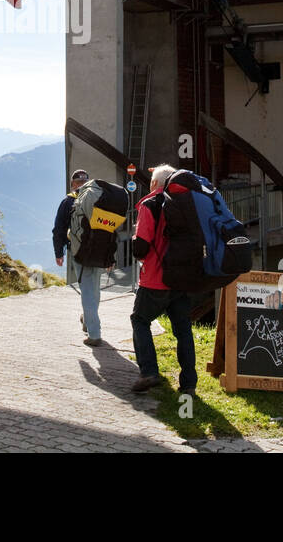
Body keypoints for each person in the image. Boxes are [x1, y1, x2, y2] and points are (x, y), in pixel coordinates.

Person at [128, 164, 198, 396]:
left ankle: (149, 371)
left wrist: (134, 237)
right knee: (183, 331)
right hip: (182, 279)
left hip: (155, 279)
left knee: (139, 320)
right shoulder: (188, 203)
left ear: (156, 184)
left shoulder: (150, 204)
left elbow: (141, 249)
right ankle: (188, 384)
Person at [52, 169, 106, 347]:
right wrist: (110, 255)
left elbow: (59, 229)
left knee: (87, 291)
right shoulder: (99, 198)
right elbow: (108, 228)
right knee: (95, 289)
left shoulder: (68, 201)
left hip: (79, 252)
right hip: (98, 250)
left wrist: (58, 252)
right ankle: (88, 320)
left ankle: (94, 333)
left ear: (72, 184)